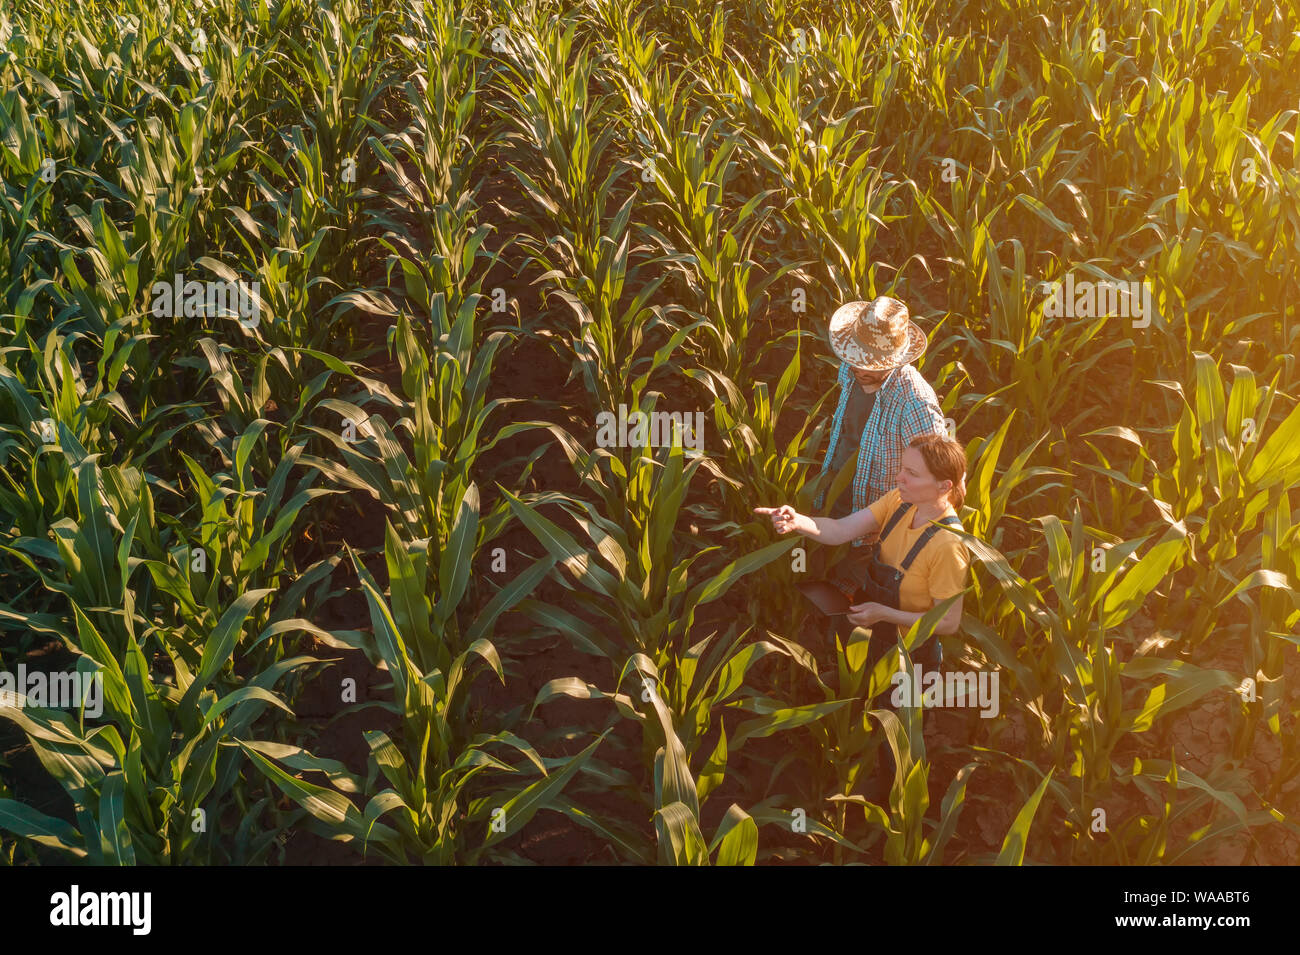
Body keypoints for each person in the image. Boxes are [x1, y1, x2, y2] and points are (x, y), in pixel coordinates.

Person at [756, 432, 970, 672]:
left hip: (910, 659)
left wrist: (885, 614)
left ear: (944, 486)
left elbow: (948, 622)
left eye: (912, 473)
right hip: (874, 638)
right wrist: (798, 521)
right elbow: (840, 529)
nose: (899, 478)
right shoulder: (898, 502)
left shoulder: (948, 545)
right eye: (902, 468)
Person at [812, 297, 947, 598]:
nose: (860, 367)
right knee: (822, 571)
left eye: (871, 362)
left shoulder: (915, 404)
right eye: (857, 356)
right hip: (837, 493)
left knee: (851, 597)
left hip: (875, 525)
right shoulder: (850, 369)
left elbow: (939, 477)